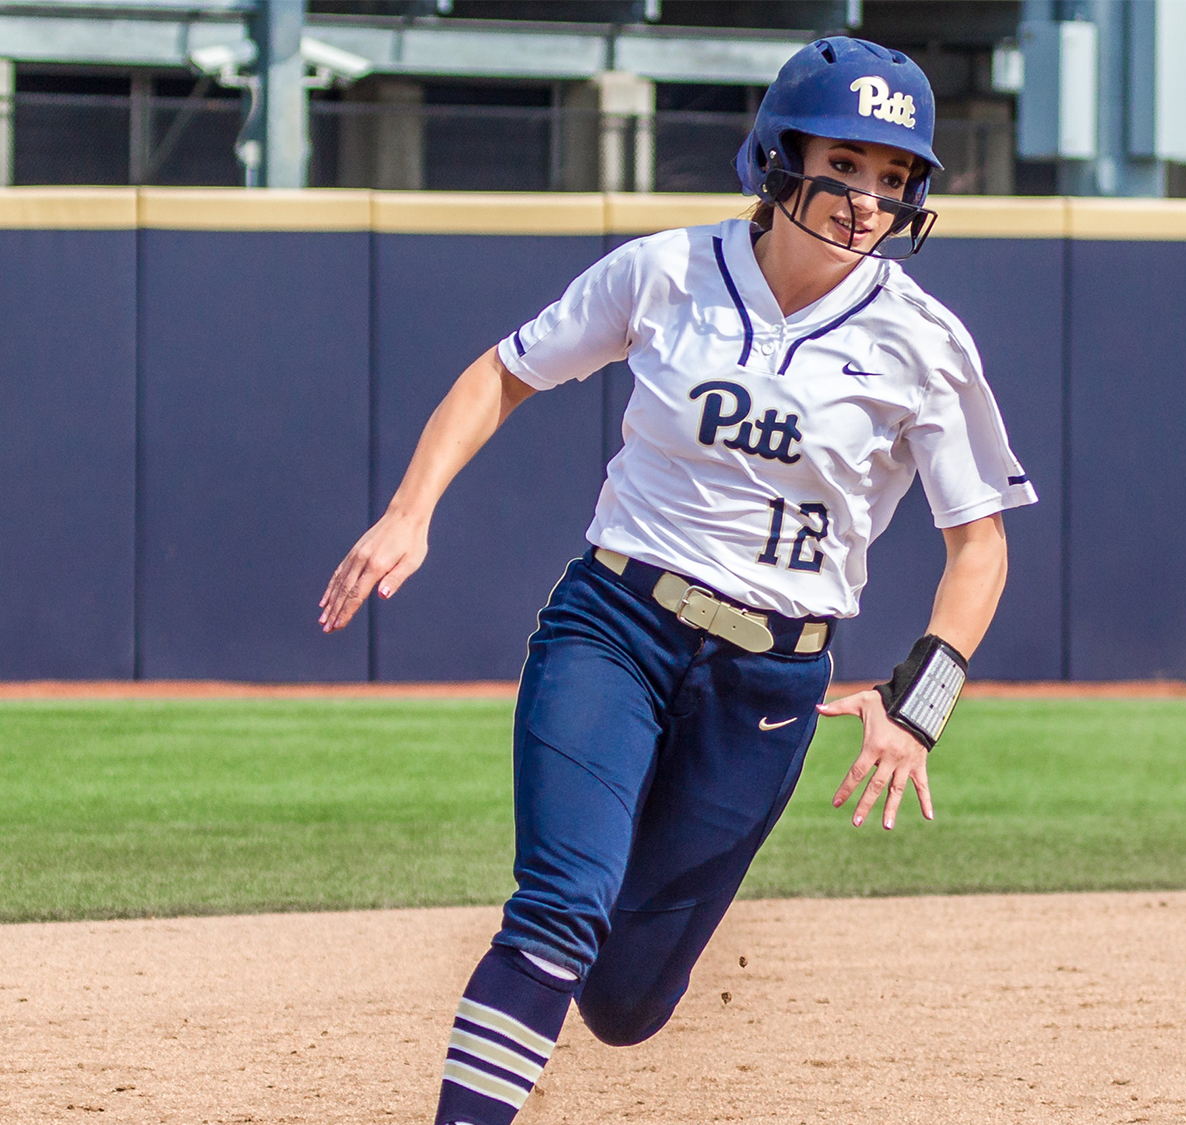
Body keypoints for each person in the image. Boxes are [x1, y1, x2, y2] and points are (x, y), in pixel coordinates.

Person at [316, 37, 1035, 1125]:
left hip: (766, 685)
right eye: (846, 163)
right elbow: (502, 373)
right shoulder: (665, 271)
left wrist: (917, 709)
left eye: (895, 178)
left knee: (622, 1000)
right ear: (779, 154)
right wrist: (409, 509)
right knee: (556, 911)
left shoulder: (922, 342)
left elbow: (978, 543)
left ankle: (622, 975)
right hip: (614, 626)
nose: (868, 198)